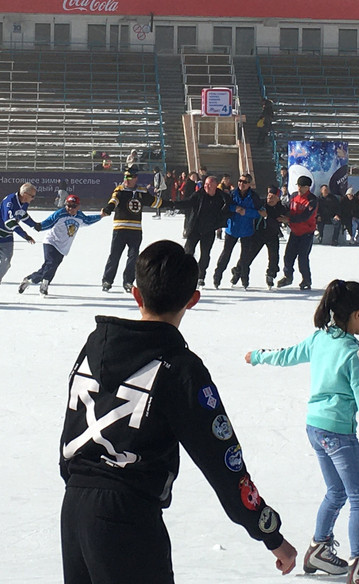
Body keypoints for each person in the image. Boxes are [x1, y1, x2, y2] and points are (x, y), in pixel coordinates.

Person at [60, 241, 297, 583]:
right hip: (128, 517)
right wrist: (269, 532)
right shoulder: (180, 369)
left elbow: (71, 429)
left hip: (74, 509)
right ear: (193, 300)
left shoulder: (93, 347)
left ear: (136, 294)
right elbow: (221, 459)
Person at [245, 279, 359, 584]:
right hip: (339, 433)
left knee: (337, 491)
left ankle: (319, 548)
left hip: (315, 427)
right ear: (357, 314)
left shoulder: (320, 339)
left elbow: (286, 354)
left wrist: (258, 355)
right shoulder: (353, 353)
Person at [19, 194, 105, 296]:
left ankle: (30, 279)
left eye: (73, 206)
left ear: (78, 207)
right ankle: (43, 283)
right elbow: (49, 222)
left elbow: (88, 220)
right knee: (50, 263)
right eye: (68, 205)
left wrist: (101, 216)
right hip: (51, 241)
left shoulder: (80, 216)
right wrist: (38, 226)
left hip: (63, 247)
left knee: (51, 266)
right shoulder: (60, 213)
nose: (70, 208)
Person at [100, 166, 162, 293]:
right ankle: (107, 280)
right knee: (115, 255)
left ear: (135, 178)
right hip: (120, 228)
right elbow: (113, 201)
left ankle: (128, 281)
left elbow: (155, 202)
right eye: (125, 177)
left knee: (133, 257)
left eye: (129, 177)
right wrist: (108, 209)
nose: (126, 180)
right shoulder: (120, 190)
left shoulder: (141, 191)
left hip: (135, 230)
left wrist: (173, 204)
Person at [176, 174, 229, 287]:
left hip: (208, 231)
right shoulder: (199, 195)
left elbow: (230, 207)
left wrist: (221, 222)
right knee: (188, 252)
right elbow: (187, 202)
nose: (206, 186)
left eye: (209, 185)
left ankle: (201, 276)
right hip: (195, 229)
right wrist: (172, 204)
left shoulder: (221, 197)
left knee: (205, 255)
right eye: (205, 184)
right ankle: (185, 274)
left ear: (215, 185)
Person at [213, 173, 264, 289]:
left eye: (244, 182)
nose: (241, 183)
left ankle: (245, 280)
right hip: (232, 229)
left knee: (245, 257)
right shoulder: (232, 194)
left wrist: (247, 212)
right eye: (240, 181)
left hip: (247, 230)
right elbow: (225, 207)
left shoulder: (254, 197)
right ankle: (217, 276)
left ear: (249, 184)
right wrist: (234, 208)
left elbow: (259, 213)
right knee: (226, 254)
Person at [276, 175, 319, 289]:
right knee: (288, 256)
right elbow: (288, 208)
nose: (299, 188)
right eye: (298, 186)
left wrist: (288, 219)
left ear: (308, 187)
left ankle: (306, 280)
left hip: (306, 233)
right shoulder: (294, 195)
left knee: (302, 258)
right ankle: (288, 277)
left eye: (302, 186)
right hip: (295, 232)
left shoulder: (312, 200)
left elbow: (305, 216)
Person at [249, 184, 289, 289]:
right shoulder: (262, 204)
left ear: (278, 199)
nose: (269, 199)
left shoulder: (280, 208)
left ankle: (271, 274)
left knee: (274, 256)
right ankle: (239, 270)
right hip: (258, 234)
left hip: (272, 235)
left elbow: (281, 220)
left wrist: (286, 219)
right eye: (268, 196)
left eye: (272, 197)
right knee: (249, 254)